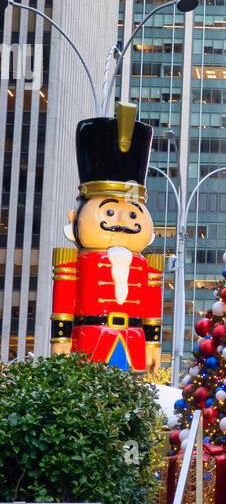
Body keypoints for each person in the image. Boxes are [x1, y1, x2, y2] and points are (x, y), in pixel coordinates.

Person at [51, 102, 163, 374]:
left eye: (133, 214)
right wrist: (61, 340)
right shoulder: (76, 261)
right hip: (91, 337)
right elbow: (64, 300)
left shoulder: (146, 266)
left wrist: (153, 344)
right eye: (110, 212)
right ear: (75, 218)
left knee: (133, 388)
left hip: (133, 339)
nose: (123, 221)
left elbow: (152, 307)